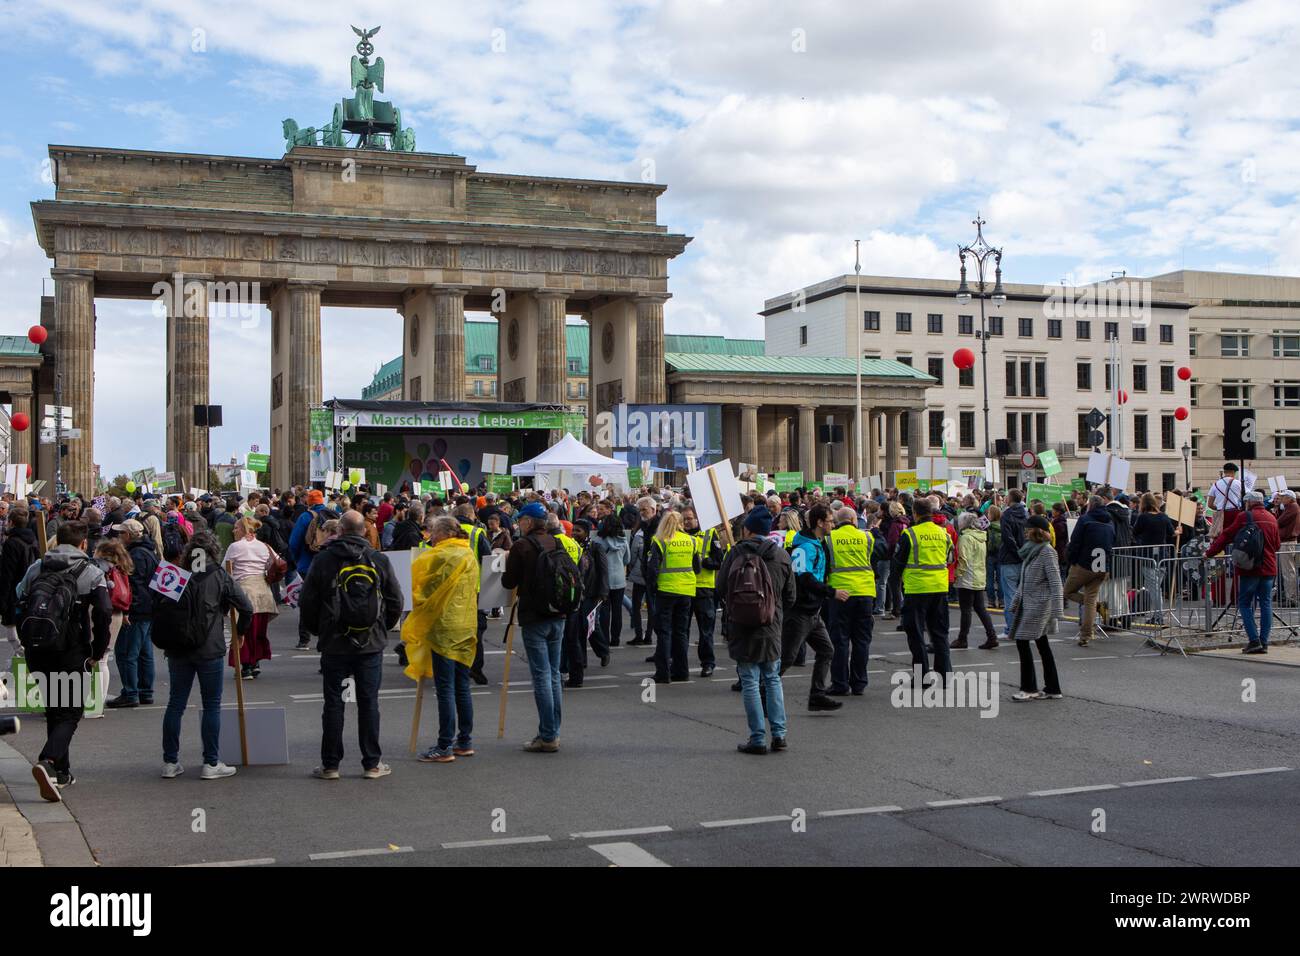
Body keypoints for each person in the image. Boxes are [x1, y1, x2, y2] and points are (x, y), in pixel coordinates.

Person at [300, 510, 403, 779]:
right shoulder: (378, 559)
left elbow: (308, 601)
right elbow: (395, 600)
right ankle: (372, 764)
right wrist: (381, 626)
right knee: (369, 702)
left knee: (333, 702)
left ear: (341, 531)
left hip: (334, 641)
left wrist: (317, 630)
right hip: (370, 642)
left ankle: (330, 765)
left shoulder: (324, 560)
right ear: (364, 531)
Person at [16, 521, 112, 801]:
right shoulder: (91, 572)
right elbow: (104, 612)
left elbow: (19, 596)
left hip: (39, 646)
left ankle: (61, 771)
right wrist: (98, 649)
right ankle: (48, 759)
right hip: (72, 649)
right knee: (70, 712)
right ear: (84, 544)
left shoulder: (38, 567)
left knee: (55, 709)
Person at [156, 531, 253, 779]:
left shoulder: (174, 573)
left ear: (189, 552)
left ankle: (170, 762)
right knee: (211, 704)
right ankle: (211, 762)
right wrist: (239, 633)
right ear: (213, 552)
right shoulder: (220, 575)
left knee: (175, 703)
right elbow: (246, 607)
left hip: (177, 647)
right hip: (210, 647)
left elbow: (155, 606)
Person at [716, 506, 796, 754]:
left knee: (750, 681)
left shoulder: (735, 552)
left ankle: (758, 737)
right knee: (772, 678)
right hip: (770, 623)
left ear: (748, 529)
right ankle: (780, 734)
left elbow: (720, 588)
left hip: (741, 623)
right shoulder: (781, 555)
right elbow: (791, 595)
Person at [403, 517, 479, 763]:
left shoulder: (443, 556)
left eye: (434, 532)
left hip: (445, 628)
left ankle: (444, 745)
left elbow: (427, 590)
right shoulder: (468, 554)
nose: (431, 537)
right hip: (466, 626)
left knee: (445, 688)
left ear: (446, 533)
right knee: (462, 686)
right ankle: (464, 741)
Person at [501, 502, 569, 752]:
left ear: (529, 522)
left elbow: (509, 582)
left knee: (541, 675)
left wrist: (508, 561)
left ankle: (548, 735)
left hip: (534, 616)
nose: (518, 524)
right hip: (558, 613)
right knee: (553, 674)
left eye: (521, 520)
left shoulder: (521, 545)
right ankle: (553, 731)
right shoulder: (556, 541)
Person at [781, 504, 843, 711]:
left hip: (812, 611)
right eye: (830, 520)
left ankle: (817, 695)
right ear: (819, 522)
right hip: (800, 611)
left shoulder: (817, 543)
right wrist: (831, 592)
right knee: (786, 658)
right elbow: (803, 577)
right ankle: (763, 690)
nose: (833, 524)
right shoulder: (806, 546)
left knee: (826, 650)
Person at [1206, 490, 1281, 654]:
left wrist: (1209, 553)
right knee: (1266, 604)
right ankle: (1264, 641)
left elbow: (1226, 536)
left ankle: (1254, 640)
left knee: (1245, 603)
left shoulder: (1245, 517)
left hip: (1250, 567)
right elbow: (1277, 545)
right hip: (1269, 567)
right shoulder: (1271, 517)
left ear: (1248, 502)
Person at [893, 496, 955, 681]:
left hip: (916, 589)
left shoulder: (910, 534)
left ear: (915, 513)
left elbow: (898, 563)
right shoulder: (943, 533)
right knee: (939, 632)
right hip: (939, 587)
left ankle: (921, 676)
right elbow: (950, 558)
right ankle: (945, 674)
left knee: (916, 633)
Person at [1006, 516, 1064, 701]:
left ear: (1037, 530)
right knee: (1042, 645)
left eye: (1028, 528)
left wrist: (1057, 610)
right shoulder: (1031, 550)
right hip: (1030, 603)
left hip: (1039, 605)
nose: (1024, 531)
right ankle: (1053, 688)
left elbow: (1055, 582)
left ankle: (1029, 688)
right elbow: (1024, 581)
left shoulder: (1046, 551)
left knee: (1022, 641)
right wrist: (1015, 602)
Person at [824, 505, 877, 696]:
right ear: (855, 520)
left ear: (837, 521)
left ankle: (840, 683)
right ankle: (859, 683)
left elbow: (825, 566)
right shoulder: (867, 537)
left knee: (840, 641)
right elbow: (878, 557)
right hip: (865, 592)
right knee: (862, 640)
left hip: (841, 593)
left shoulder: (830, 539)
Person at [106, 519, 159, 708]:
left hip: (137, 610)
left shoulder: (135, 555)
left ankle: (131, 692)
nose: (119, 536)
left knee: (127, 653)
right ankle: (145, 691)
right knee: (144, 653)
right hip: (148, 608)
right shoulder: (148, 551)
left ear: (128, 535)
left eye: (121, 533)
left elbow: (133, 586)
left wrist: (127, 610)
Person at [645, 510, 700, 684]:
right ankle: (682, 671)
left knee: (664, 632)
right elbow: (697, 568)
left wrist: (652, 589)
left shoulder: (660, 541)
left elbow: (652, 569)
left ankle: (663, 673)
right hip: (686, 591)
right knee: (681, 632)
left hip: (666, 590)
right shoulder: (691, 541)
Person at [224, 517, 278, 679]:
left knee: (243, 630)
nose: (233, 531)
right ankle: (255, 663)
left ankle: (246, 665)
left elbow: (225, 569)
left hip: (244, 591)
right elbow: (274, 563)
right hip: (263, 592)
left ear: (244, 530)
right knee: (258, 630)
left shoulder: (235, 547)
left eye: (236, 528)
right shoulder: (263, 546)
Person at [1064, 496, 1115, 647]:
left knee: (1067, 592)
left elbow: (1075, 541)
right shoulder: (1110, 522)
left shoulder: (1085, 520)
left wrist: (1071, 560)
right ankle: (1085, 635)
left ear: (1090, 505)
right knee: (1090, 599)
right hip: (1102, 566)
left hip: (1085, 564)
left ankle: (1096, 612)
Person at [90, 537, 133, 713]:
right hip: (118, 613)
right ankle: (98, 703)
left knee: (94, 656)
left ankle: (92, 701)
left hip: (100, 611)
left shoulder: (100, 568)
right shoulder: (122, 569)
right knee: (104, 659)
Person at [682, 507, 725, 677]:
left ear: (698, 519)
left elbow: (719, 560)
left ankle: (708, 663)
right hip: (684, 587)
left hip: (704, 588)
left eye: (690, 518)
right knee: (681, 629)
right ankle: (680, 663)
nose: (687, 522)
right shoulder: (679, 535)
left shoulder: (709, 533)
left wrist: (704, 562)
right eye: (684, 519)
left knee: (705, 630)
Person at [288, 489, 330, 651]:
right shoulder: (334, 515)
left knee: (306, 602)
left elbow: (293, 542)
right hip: (328, 564)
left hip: (307, 565)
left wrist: (297, 559)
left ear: (309, 502)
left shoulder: (305, 517)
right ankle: (325, 639)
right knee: (327, 602)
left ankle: (304, 640)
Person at [952, 511, 998, 650]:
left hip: (967, 577)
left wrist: (956, 575)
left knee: (966, 609)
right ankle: (992, 636)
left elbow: (963, 559)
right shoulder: (981, 537)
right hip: (978, 575)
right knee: (980, 608)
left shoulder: (966, 538)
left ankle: (962, 638)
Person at [0, 508, 40, 648]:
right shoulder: (33, 539)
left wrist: (3, 600)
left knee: (13, 632)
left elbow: (7, 573)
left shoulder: (11, 543)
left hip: (15, 591)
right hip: (30, 588)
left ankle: (21, 659)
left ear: (11, 522)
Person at [590, 511, 630, 651]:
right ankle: (616, 638)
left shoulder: (598, 541)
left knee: (604, 611)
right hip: (619, 578)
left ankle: (605, 638)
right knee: (617, 610)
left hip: (603, 580)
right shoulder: (623, 540)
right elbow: (627, 560)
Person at [996, 490, 1029, 637]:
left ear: (1010, 499)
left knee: (1010, 596)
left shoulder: (1007, 515)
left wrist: (1017, 552)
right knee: (1021, 596)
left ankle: (1011, 629)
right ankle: (1022, 627)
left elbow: (1008, 538)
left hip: (1010, 559)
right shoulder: (1026, 514)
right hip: (1024, 559)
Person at [1272, 489, 1298, 607]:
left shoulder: (1292, 507)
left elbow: (1279, 522)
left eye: (1283, 497)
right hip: (1286, 541)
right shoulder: (1290, 507)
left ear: (1289, 498)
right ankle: (1289, 596)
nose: (1281, 499)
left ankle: (1291, 597)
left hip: (1287, 542)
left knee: (1288, 570)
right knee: (1286, 570)